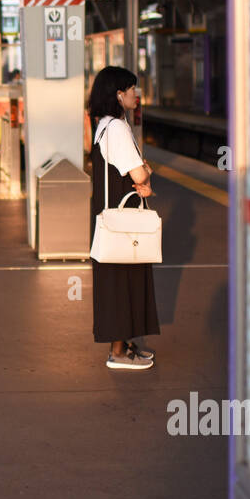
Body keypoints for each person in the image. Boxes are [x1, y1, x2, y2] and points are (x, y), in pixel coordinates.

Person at [87, 65, 160, 370]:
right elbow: (138, 171)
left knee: (121, 275)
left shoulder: (103, 124)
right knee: (122, 277)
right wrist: (146, 172)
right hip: (122, 216)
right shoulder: (116, 128)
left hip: (111, 212)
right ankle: (117, 353)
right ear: (118, 95)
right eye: (132, 89)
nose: (136, 95)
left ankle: (124, 343)